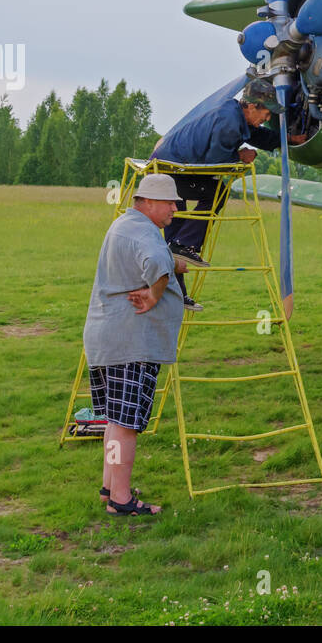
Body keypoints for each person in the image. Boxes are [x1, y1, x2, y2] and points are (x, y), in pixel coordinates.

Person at [83, 173, 188, 516]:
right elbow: (155, 263)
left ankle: (110, 487)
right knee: (127, 424)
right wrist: (156, 292)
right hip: (131, 341)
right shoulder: (147, 233)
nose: (175, 208)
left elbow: (158, 258)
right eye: (170, 202)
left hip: (107, 337)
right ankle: (122, 499)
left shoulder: (126, 225)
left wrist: (172, 262)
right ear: (150, 202)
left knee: (115, 419)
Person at [152, 78, 305, 308]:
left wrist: (288, 139)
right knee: (217, 194)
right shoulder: (230, 122)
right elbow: (215, 163)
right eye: (266, 112)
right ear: (252, 106)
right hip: (171, 170)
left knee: (176, 227)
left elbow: (259, 136)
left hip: (171, 167)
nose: (268, 118)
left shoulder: (236, 116)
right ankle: (186, 244)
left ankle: (176, 291)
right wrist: (239, 157)